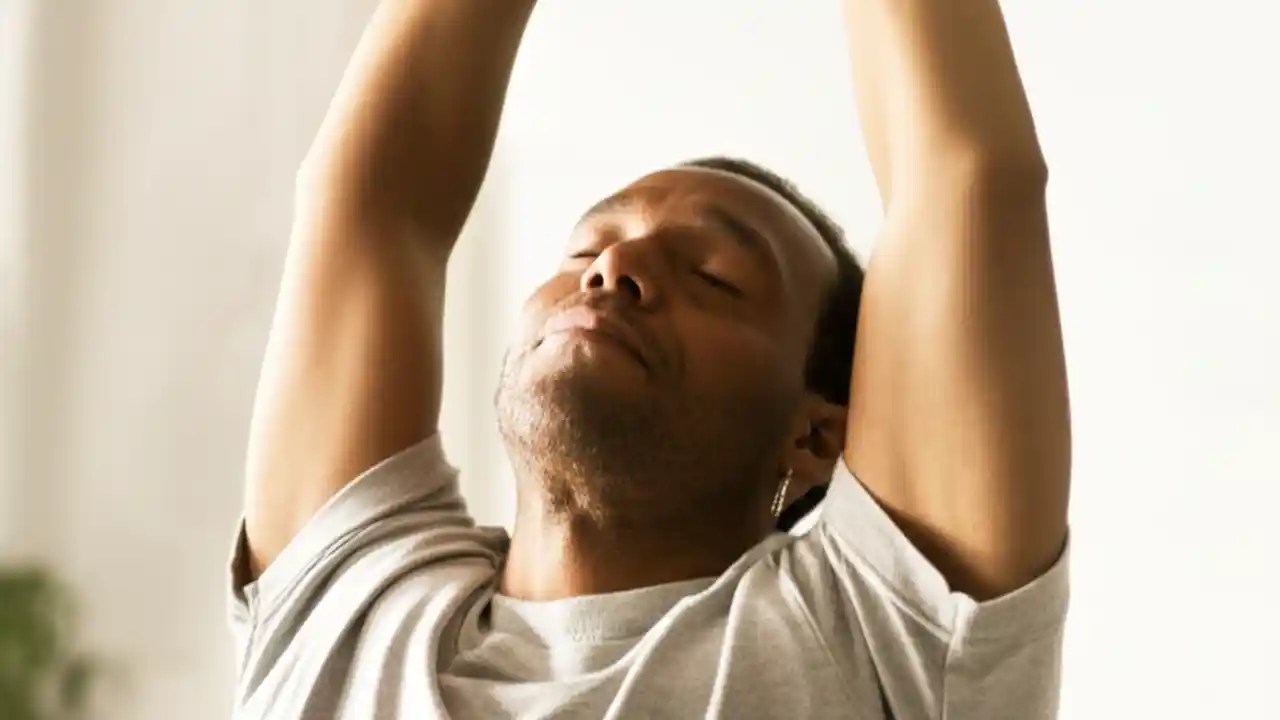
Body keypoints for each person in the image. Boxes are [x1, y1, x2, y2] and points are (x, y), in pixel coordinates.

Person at [228, 1, 1072, 718]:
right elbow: (376, 209)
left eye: (714, 276)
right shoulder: (348, 604)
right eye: (585, 247)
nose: (612, 269)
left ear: (817, 438)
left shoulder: (887, 636)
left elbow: (966, 178)